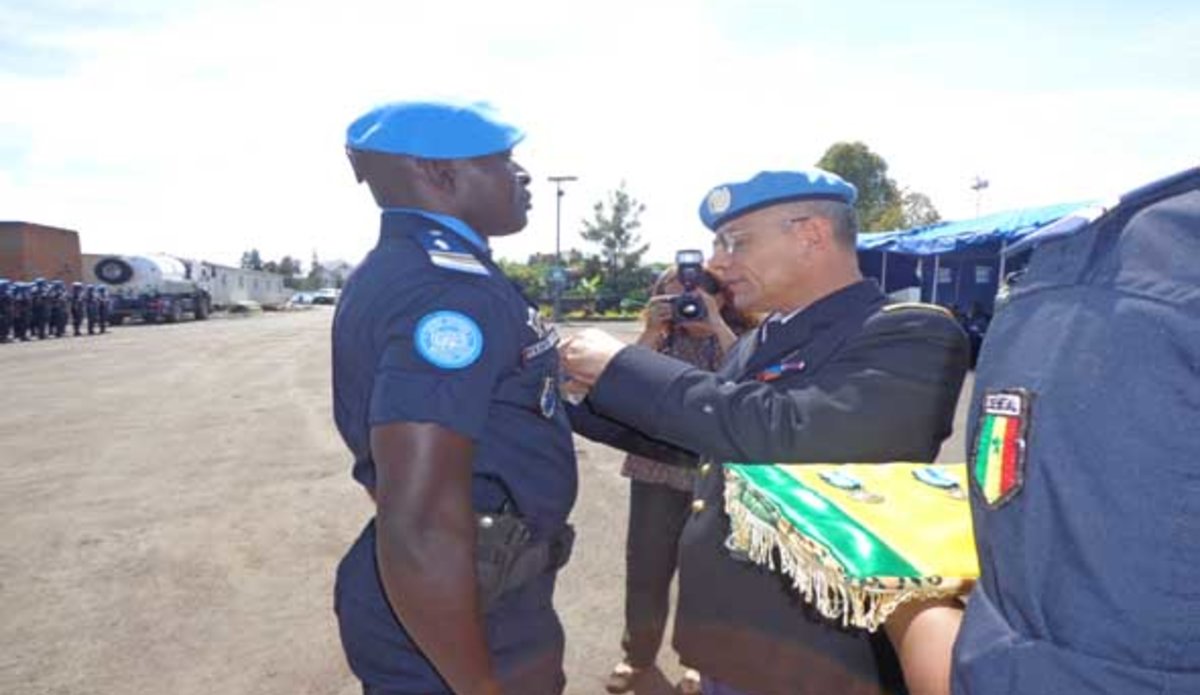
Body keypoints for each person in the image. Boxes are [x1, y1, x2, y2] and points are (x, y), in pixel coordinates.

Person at [562, 168, 970, 695]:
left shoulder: (910, 330)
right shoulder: (765, 336)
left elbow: (788, 434)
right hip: (733, 647)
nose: (716, 262)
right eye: (717, 244)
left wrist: (620, 367)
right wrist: (576, 396)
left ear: (812, 235)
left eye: (736, 241)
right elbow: (708, 441)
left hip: (817, 658)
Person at [331, 100, 577, 695]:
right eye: (504, 160)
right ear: (439, 173)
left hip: (478, 586)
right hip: (461, 612)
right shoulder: (447, 291)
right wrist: (478, 686)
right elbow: (420, 521)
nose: (522, 176)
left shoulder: (416, 267)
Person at [951, 166, 1200, 694]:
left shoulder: (1134, 258)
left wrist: (915, 618)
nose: (723, 261)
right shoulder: (1142, 253)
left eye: (739, 241)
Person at [605, 267, 757, 695]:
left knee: (706, 574)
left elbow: (751, 384)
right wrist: (654, 330)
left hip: (716, 475)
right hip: (655, 470)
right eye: (670, 298)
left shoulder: (741, 340)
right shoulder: (662, 340)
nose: (682, 307)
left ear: (720, 299)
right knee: (646, 570)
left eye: (690, 298)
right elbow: (622, 383)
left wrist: (716, 324)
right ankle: (636, 656)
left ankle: (700, 661)